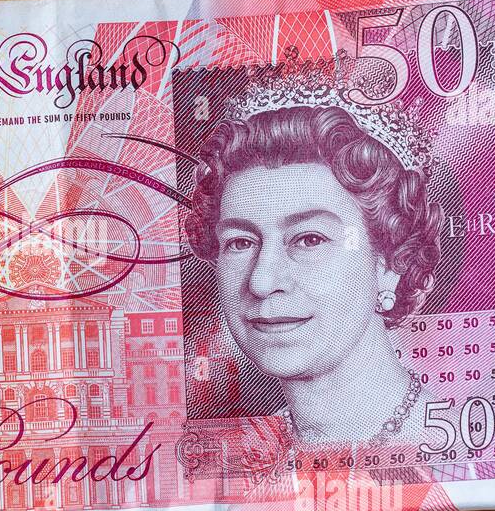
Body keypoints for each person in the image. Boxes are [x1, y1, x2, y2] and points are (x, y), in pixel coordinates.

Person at [186, 100, 443, 451]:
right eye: (240, 242)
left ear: (390, 264)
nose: (261, 282)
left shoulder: (445, 443)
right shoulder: (242, 457)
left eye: (309, 239)